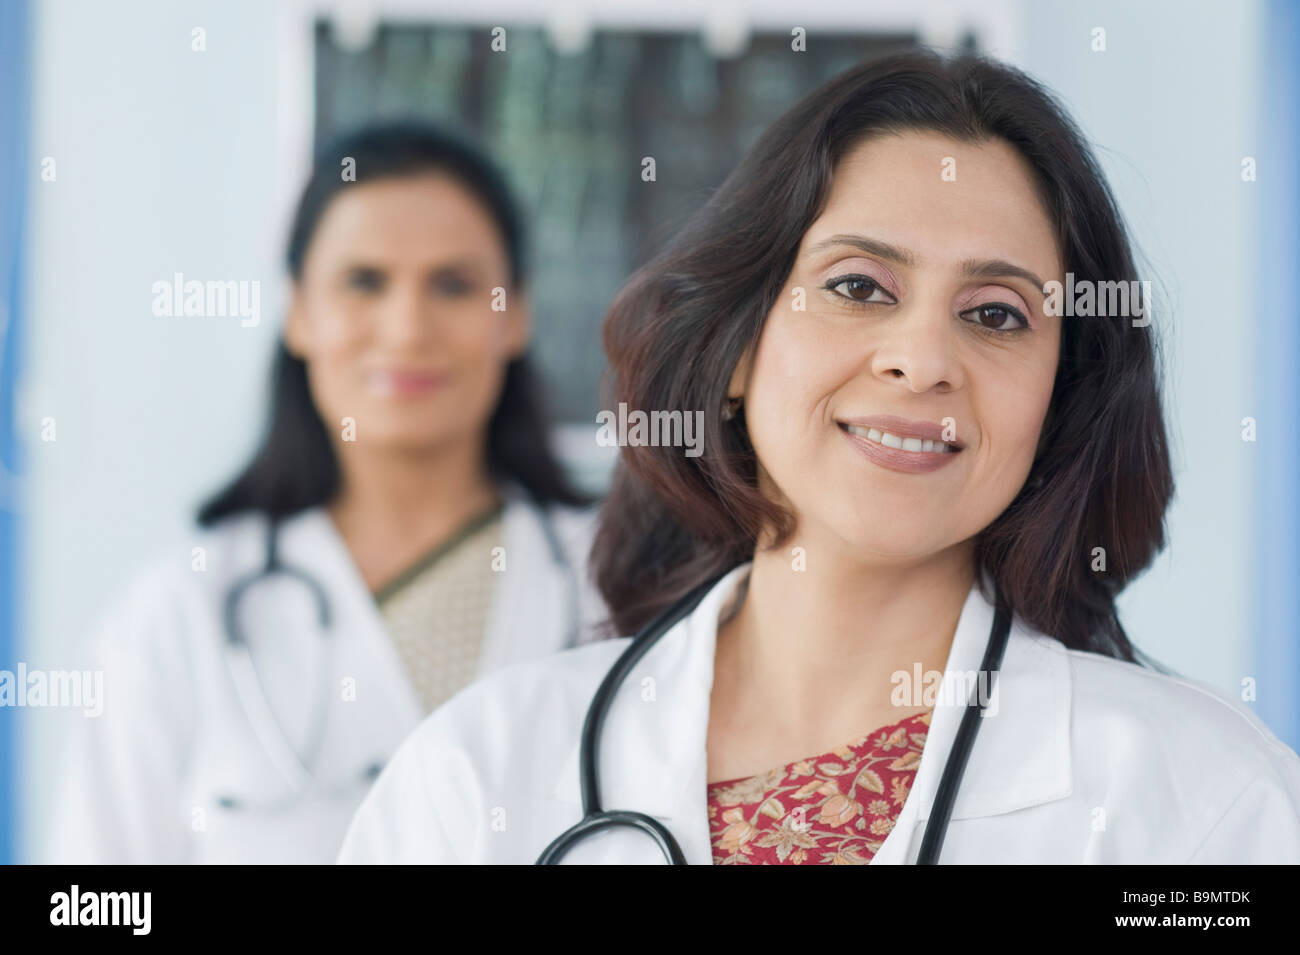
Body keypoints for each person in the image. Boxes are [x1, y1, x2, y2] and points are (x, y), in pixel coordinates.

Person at [336, 51, 1300, 865]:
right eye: (859, 286)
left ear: (1059, 396)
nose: (922, 360)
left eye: (996, 314)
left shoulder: (1201, 806)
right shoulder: (476, 777)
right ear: (739, 346)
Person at [43, 120, 607, 864]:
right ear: (299, 313)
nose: (407, 327)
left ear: (516, 317)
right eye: (362, 281)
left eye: (455, 284)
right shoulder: (180, 615)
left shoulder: (615, 579)